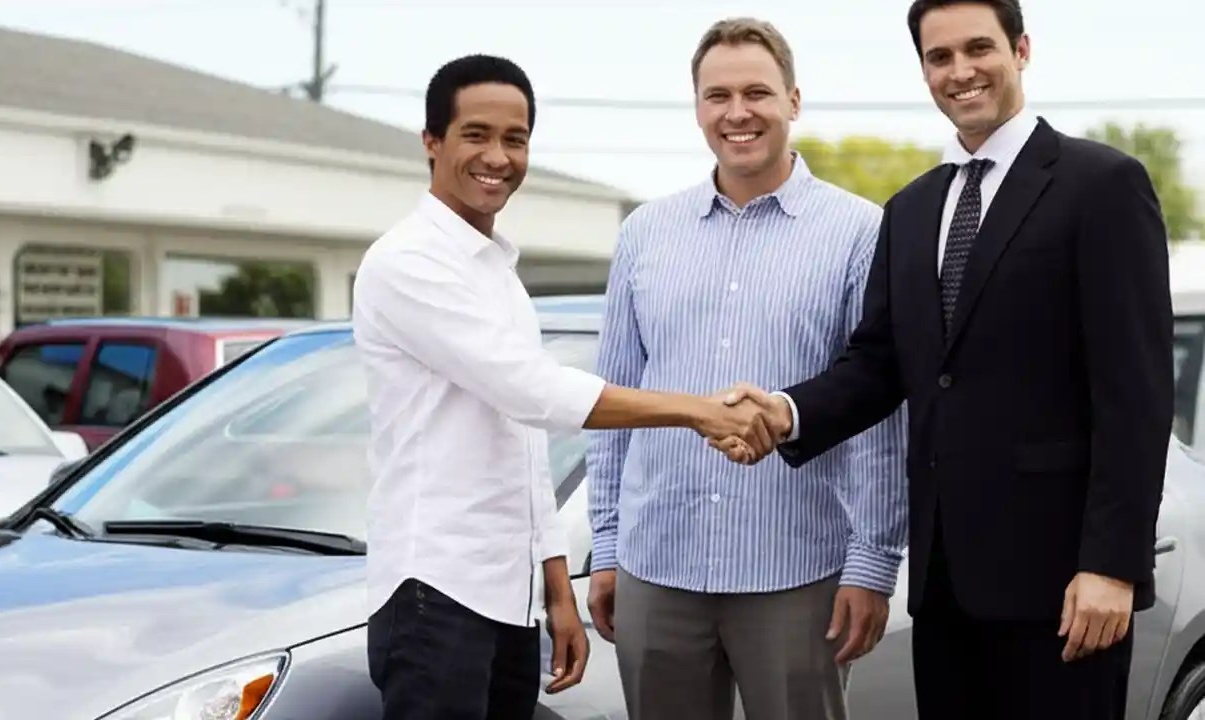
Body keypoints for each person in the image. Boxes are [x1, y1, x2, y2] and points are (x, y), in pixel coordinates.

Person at [717, 1, 1174, 718]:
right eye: (939, 57)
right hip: (944, 587)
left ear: (1020, 49)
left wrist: (1112, 565)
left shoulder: (1102, 185)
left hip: (1063, 587)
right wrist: (786, 410)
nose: (960, 72)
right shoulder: (910, 208)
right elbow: (879, 364)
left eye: (978, 48)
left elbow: (1137, 395)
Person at [351, 54, 777, 720]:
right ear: (432, 142)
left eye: (515, 139)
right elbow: (534, 394)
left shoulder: (496, 273)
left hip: (505, 597)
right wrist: (697, 411)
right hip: (434, 593)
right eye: (475, 134)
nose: (498, 156)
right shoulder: (407, 262)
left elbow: (519, 443)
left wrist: (555, 591)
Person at [584, 18, 908, 720]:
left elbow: (880, 408)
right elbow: (610, 406)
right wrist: (606, 546)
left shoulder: (859, 232)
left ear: (793, 100)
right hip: (656, 565)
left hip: (797, 573)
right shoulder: (645, 233)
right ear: (697, 107)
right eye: (717, 95)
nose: (737, 113)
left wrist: (873, 563)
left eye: (757, 92)